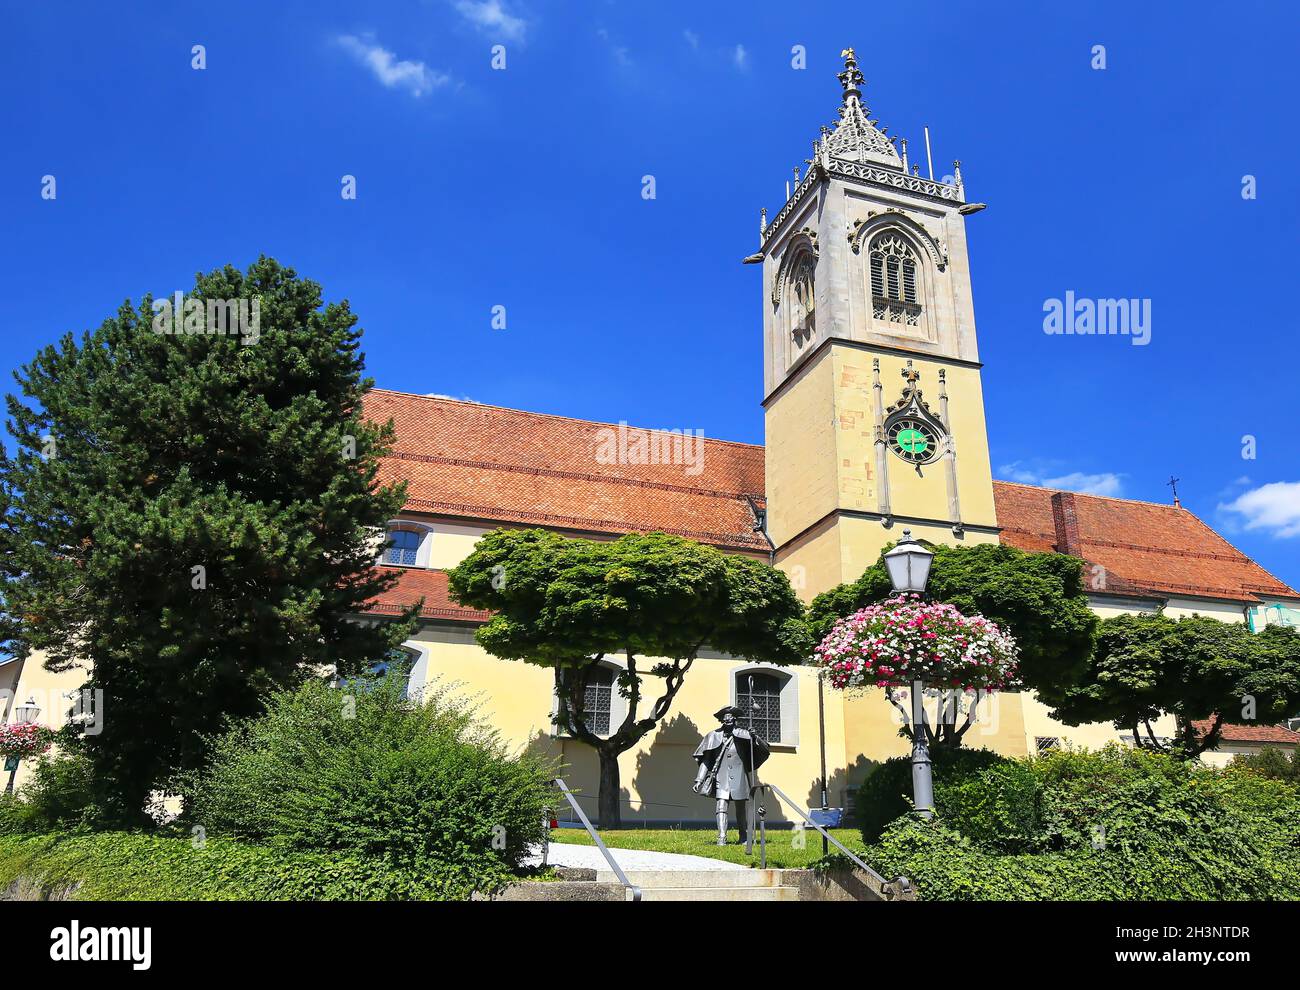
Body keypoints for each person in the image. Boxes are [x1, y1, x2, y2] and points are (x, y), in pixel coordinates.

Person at [691, 705, 770, 845]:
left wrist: (754, 737)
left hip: (740, 777)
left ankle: (743, 836)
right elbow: (707, 760)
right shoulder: (713, 736)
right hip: (721, 777)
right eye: (725, 718)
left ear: (735, 719)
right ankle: (722, 836)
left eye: (731, 718)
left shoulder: (744, 734)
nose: (728, 720)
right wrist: (699, 779)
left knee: (740, 808)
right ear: (721, 720)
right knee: (721, 806)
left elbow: (763, 749)